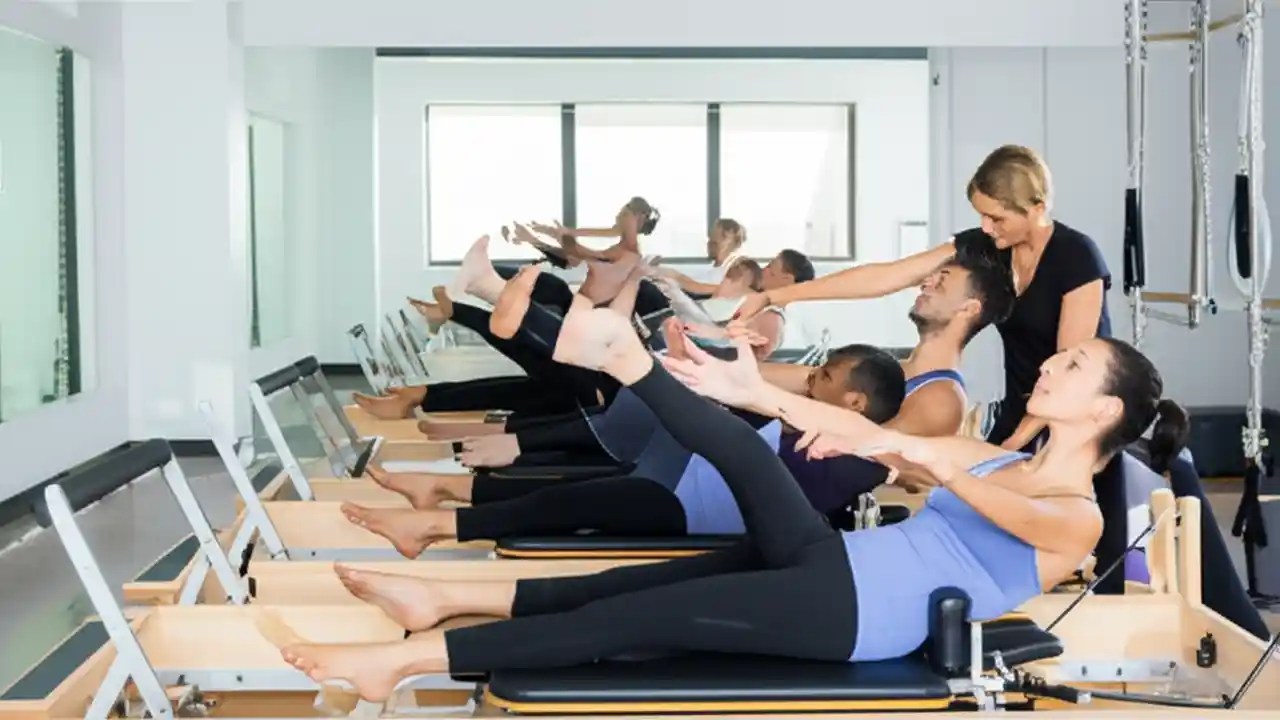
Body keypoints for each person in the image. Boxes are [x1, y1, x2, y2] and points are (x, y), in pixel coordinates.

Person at [269, 293, 1182, 703]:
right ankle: (434, 603)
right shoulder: (989, 455)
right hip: (834, 569)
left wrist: (908, 449)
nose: (1051, 367)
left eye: (1071, 367)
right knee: (626, 584)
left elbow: (945, 479)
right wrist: (757, 389)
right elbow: (874, 441)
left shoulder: (1076, 517)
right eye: (1060, 355)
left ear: (1103, 409)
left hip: (855, 614)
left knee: (637, 620)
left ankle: (408, 659)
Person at [732, 144, 1125, 588]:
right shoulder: (990, 247)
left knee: (1088, 553)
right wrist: (774, 296)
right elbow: (884, 277)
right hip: (1023, 402)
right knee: (984, 525)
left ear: (1037, 208)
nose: (985, 227)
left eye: (997, 217)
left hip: (1075, 417)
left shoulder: (1076, 257)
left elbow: (1068, 374)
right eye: (981, 215)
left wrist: (1012, 448)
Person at [650, 217, 748, 298]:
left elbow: (726, 290)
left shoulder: (738, 264)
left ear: (727, 242)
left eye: (714, 243)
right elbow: (693, 282)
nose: (708, 245)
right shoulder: (713, 268)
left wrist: (678, 279)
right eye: (709, 241)